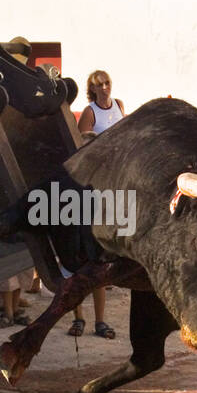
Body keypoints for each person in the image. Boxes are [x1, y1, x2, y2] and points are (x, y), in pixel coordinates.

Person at [74, 69, 122, 336]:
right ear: (93, 89)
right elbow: (82, 146)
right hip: (93, 183)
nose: (105, 87)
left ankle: (100, 320)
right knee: (81, 257)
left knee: (101, 256)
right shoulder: (90, 111)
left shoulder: (119, 106)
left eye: (108, 83)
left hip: (114, 181)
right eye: (100, 84)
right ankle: (78, 317)